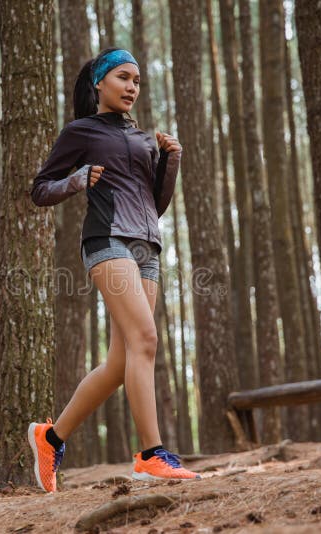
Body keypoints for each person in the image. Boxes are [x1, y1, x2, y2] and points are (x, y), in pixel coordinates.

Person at [26, 47, 201, 493]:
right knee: (146, 339)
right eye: (123, 77)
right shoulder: (80, 131)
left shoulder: (145, 140)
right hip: (107, 241)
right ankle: (151, 454)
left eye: (137, 81)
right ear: (99, 83)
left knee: (120, 362)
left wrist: (171, 160)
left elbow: (154, 205)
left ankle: (51, 438)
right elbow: (40, 190)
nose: (131, 87)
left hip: (148, 247)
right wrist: (77, 179)